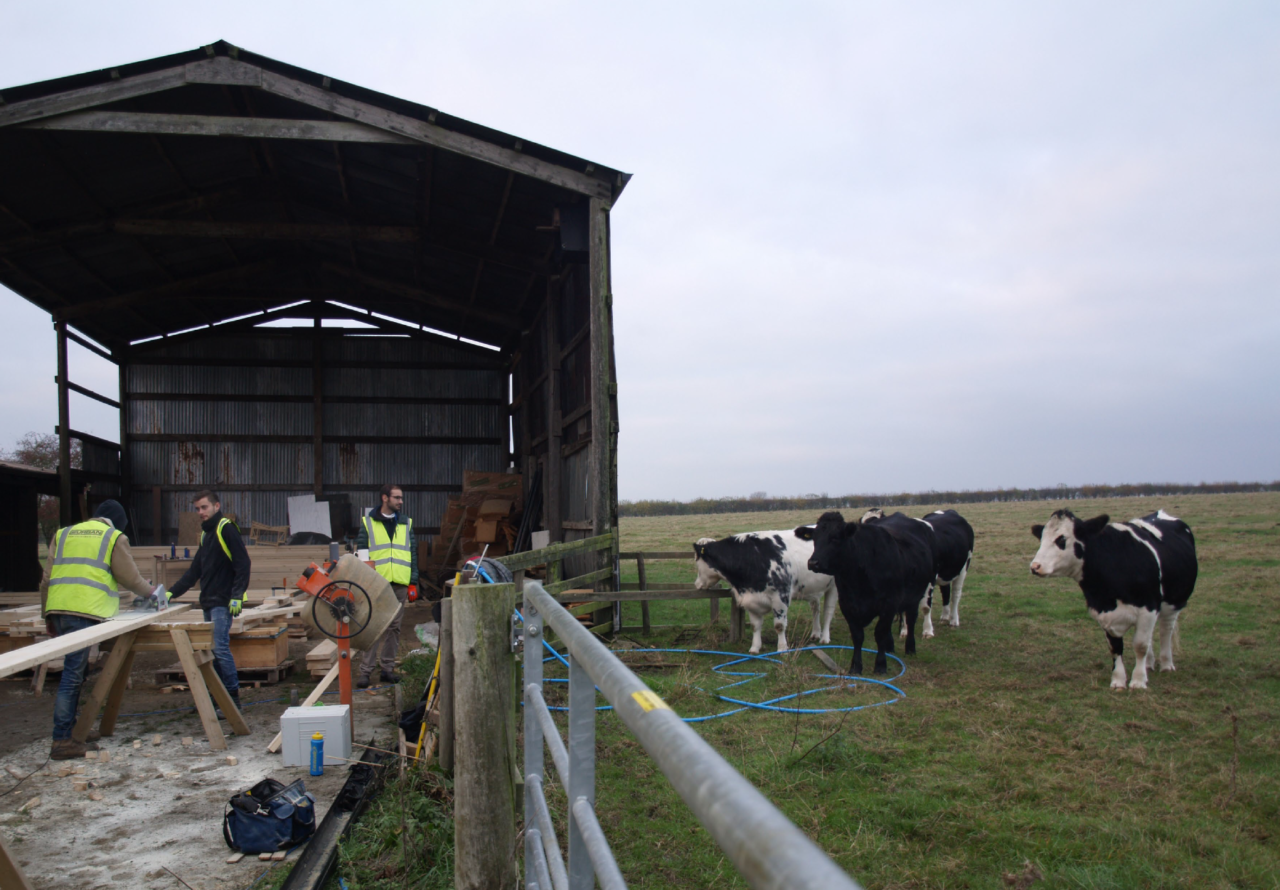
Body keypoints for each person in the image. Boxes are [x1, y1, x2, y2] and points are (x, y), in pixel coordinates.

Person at [40, 499, 161, 760]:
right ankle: (62, 740)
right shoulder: (112, 536)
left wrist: (47, 615)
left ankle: (71, 730)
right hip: (84, 611)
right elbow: (128, 577)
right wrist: (152, 592)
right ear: (118, 522)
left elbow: (47, 579)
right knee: (72, 675)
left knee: (77, 671)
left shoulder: (63, 533)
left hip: (58, 609)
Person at [167, 490, 251, 717]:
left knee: (220, 649)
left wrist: (237, 594)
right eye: (197, 509)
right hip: (208, 601)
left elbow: (243, 563)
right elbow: (195, 571)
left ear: (216, 505)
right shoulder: (206, 535)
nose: (200, 512)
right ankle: (215, 699)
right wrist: (170, 593)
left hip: (222, 602)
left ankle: (232, 701)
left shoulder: (226, 528)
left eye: (204, 507)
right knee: (210, 652)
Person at [354, 483, 417, 687]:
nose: (401, 501)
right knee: (373, 627)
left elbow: (412, 553)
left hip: (399, 582)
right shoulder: (368, 522)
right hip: (376, 584)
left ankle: (387, 669)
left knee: (394, 628)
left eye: (401, 498)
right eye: (397, 498)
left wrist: (413, 581)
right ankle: (365, 671)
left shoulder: (406, 523)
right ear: (384, 498)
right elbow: (362, 553)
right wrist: (364, 582)